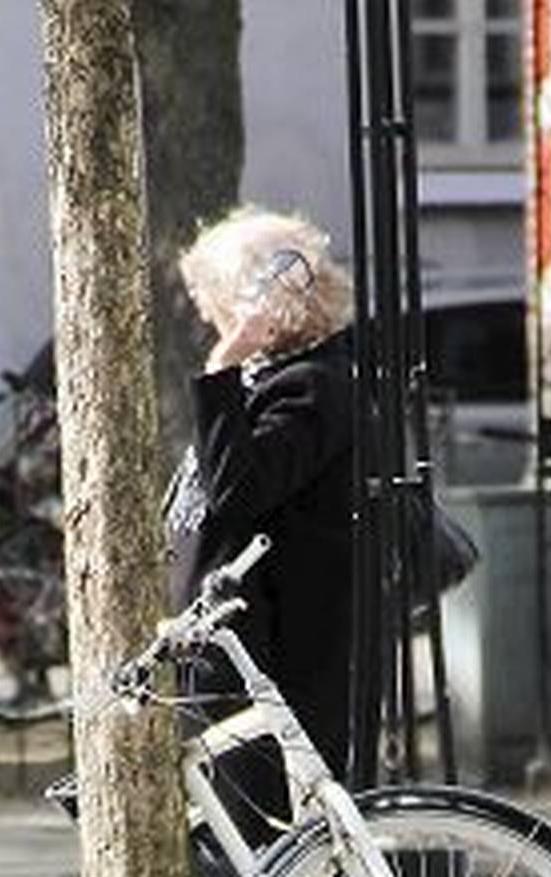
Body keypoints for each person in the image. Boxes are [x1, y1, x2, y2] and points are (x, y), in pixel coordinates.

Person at [164, 206, 359, 803]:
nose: (207, 317)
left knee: (259, 839)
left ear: (260, 306)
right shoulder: (269, 381)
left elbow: (235, 492)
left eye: (213, 300)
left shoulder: (310, 387)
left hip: (267, 660)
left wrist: (220, 370)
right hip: (224, 652)